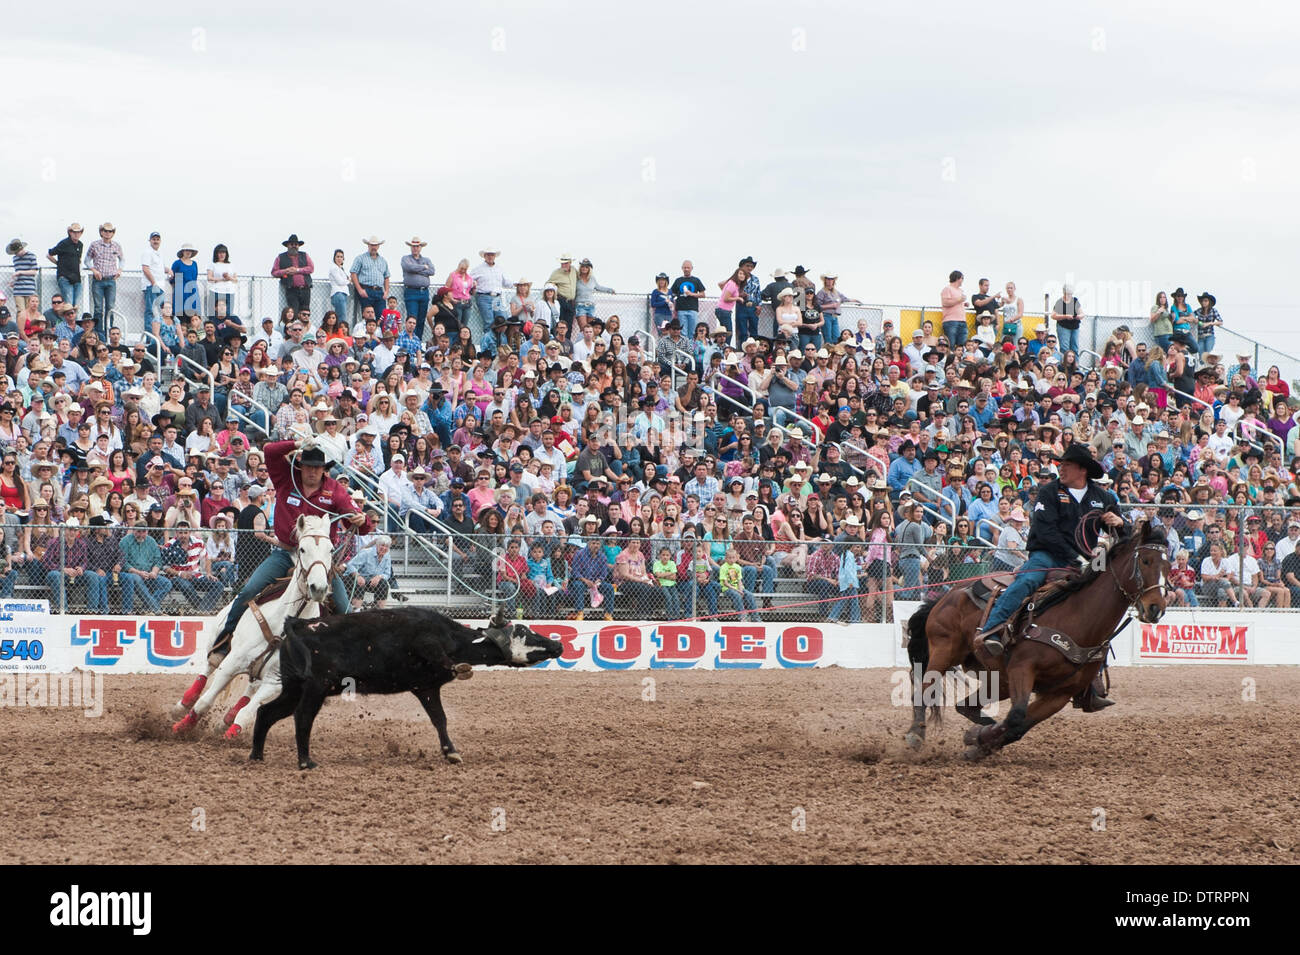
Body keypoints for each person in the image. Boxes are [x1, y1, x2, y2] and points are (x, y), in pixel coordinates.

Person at [211, 437, 372, 656]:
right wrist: (296, 444)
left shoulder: (334, 489)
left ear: (324, 469)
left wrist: (363, 521)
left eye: (317, 467)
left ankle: (353, 655)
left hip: (319, 559)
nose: (312, 472)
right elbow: (269, 452)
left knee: (344, 608)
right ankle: (224, 641)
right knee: (249, 590)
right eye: (308, 466)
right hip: (286, 553)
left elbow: (358, 521)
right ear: (300, 466)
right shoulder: (286, 478)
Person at [84, 222, 124, 336]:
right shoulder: (94, 245)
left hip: (111, 280)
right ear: (101, 232)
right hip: (98, 280)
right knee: (98, 308)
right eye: (105, 231)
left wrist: (120, 270)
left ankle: (109, 331)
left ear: (113, 233)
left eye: (110, 231)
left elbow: (122, 259)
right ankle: (98, 333)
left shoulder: (116, 246)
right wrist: (94, 270)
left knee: (110, 307)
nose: (107, 233)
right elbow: (87, 260)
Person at [401, 237, 437, 339]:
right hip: (411, 291)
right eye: (413, 246)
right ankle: (410, 340)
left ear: (421, 247)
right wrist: (423, 267)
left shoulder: (426, 260)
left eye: (417, 246)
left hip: (424, 292)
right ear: (411, 247)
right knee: (412, 318)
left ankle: (418, 341)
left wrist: (416, 270)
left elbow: (432, 271)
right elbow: (408, 267)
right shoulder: (406, 258)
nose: (415, 248)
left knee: (421, 319)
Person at [346, 535, 393, 609]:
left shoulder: (387, 556)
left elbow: (387, 574)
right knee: (360, 584)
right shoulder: (366, 553)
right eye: (382, 545)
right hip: (355, 578)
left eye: (387, 546)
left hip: (371, 582)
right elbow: (350, 565)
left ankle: (379, 610)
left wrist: (379, 577)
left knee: (383, 584)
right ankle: (356, 610)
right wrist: (358, 576)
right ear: (377, 545)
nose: (384, 548)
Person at [350, 236, 390, 323]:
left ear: (378, 246)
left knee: (381, 317)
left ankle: (379, 336)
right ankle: (366, 336)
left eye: (375, 245)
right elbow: (353, 273)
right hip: (366, 290)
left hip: (379, 291)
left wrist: (386, 291)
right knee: (367, 317)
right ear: (368, 245)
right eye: (372, 245)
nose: (374, 247)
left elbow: (386, 277)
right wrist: (360, 290)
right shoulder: (360, 258)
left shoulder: (383, 261)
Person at [272, 234, 314, 314]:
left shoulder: (305, 255)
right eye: (291, 244)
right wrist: (285, 271)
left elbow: (311, 268)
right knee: (293, 313)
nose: (294, 246)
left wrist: (297, 270)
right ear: (287, 246)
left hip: (305, 289)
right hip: (291, 290)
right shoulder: (280, 257)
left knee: (305, 313)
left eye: (296, 244)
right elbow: (274, 272)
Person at [47, 223, 85, 308]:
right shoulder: (64, 243)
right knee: (68, 305)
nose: (76, 234)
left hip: (76, 278)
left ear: (81, 233)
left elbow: (79, 260)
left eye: (78, 232)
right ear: (70, 232)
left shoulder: (80, 245)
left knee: (76, 305)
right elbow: (49, 254)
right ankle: (66, 321)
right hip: (65, 277)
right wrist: (58, 263)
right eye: (74, 232)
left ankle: (73, 321)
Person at [1051, 283, 1083, 357]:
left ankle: (1075, 365)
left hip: (1075, 327)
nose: (1069, 296)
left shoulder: (1075, 301)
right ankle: (1065, 364)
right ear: (1064, 293)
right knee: (1064, 347)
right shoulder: (1060, 302)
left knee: (1075, 347)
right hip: (1063, 326)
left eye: (1070, 294)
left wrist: (1078, 316)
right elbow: (1053, 315)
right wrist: (1065, 316)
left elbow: (1082, 314)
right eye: (1067, 294)